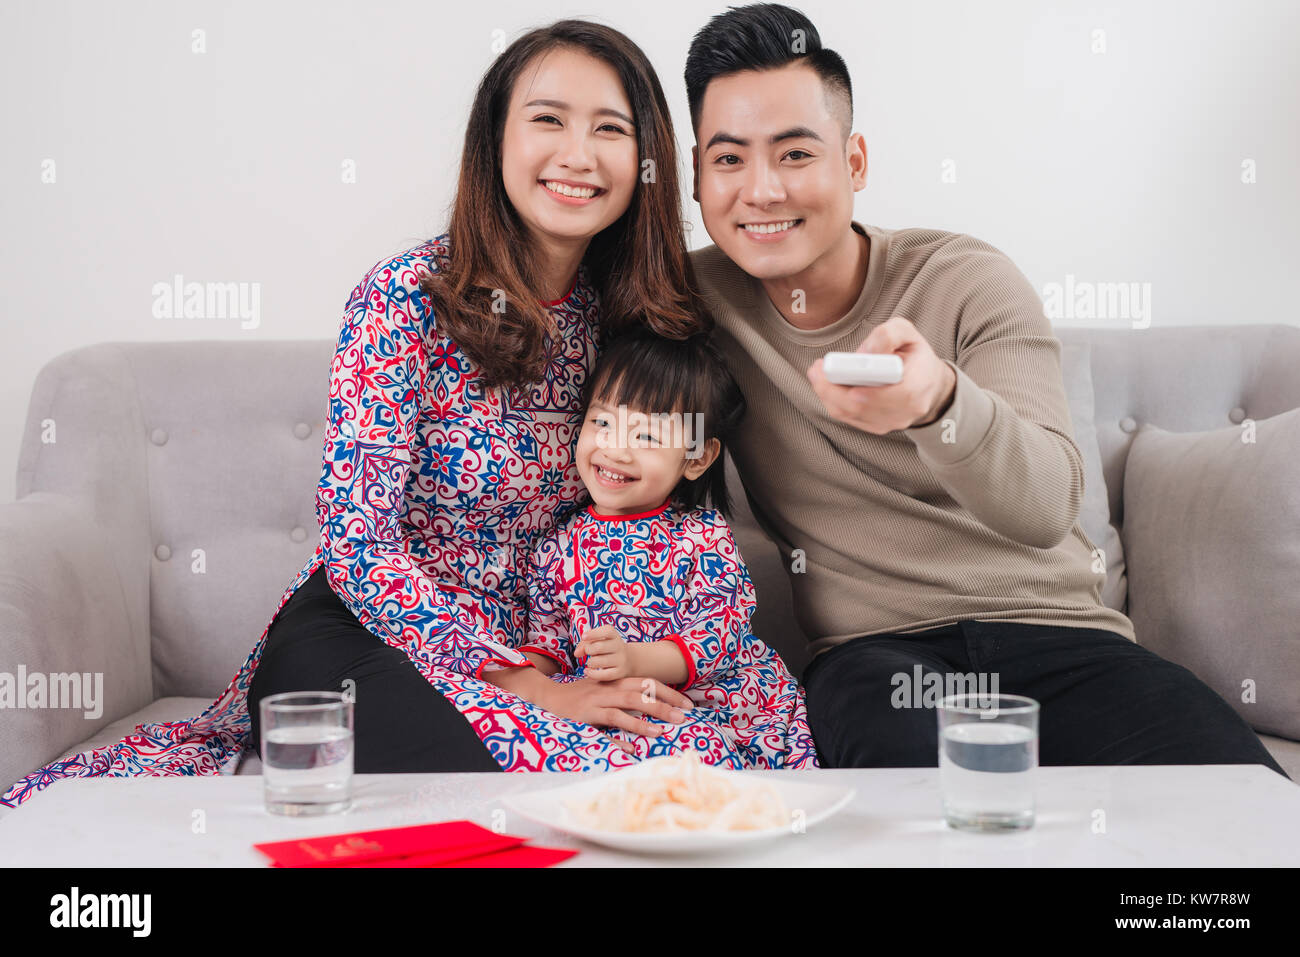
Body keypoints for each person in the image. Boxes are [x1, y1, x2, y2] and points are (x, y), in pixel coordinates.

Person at [1, 19, 710, 808]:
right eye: (548, 119)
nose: (578, 154)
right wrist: (524, 686)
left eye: (610, 129)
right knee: (512, 774)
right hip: (363, 634)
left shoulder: (624, 325)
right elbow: (357, 539)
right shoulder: (405, 297)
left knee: (670, 759)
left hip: (542, 646)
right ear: (495, 141)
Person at [681, 3, 1289, 777]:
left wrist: (939, 404)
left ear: (855, 162)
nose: (762, 190)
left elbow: (1045, 506)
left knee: (1241, 802)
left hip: (1063, 640)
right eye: (729, 159)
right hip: (876, 656)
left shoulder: (967, 280)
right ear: (695, 175)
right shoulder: (687, 301)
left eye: (795, 153)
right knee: (918, 802)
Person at [521, 327, 818, 769]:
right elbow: (549, 643)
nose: (615, 450)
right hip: (608, 703)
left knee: (685, 748)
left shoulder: (701, 536)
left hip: (706, 703)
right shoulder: (556, 546)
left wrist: (633, 659)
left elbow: (719, 635)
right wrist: (514, 680)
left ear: (697, 457)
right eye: (602, 423)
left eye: (646, 437)